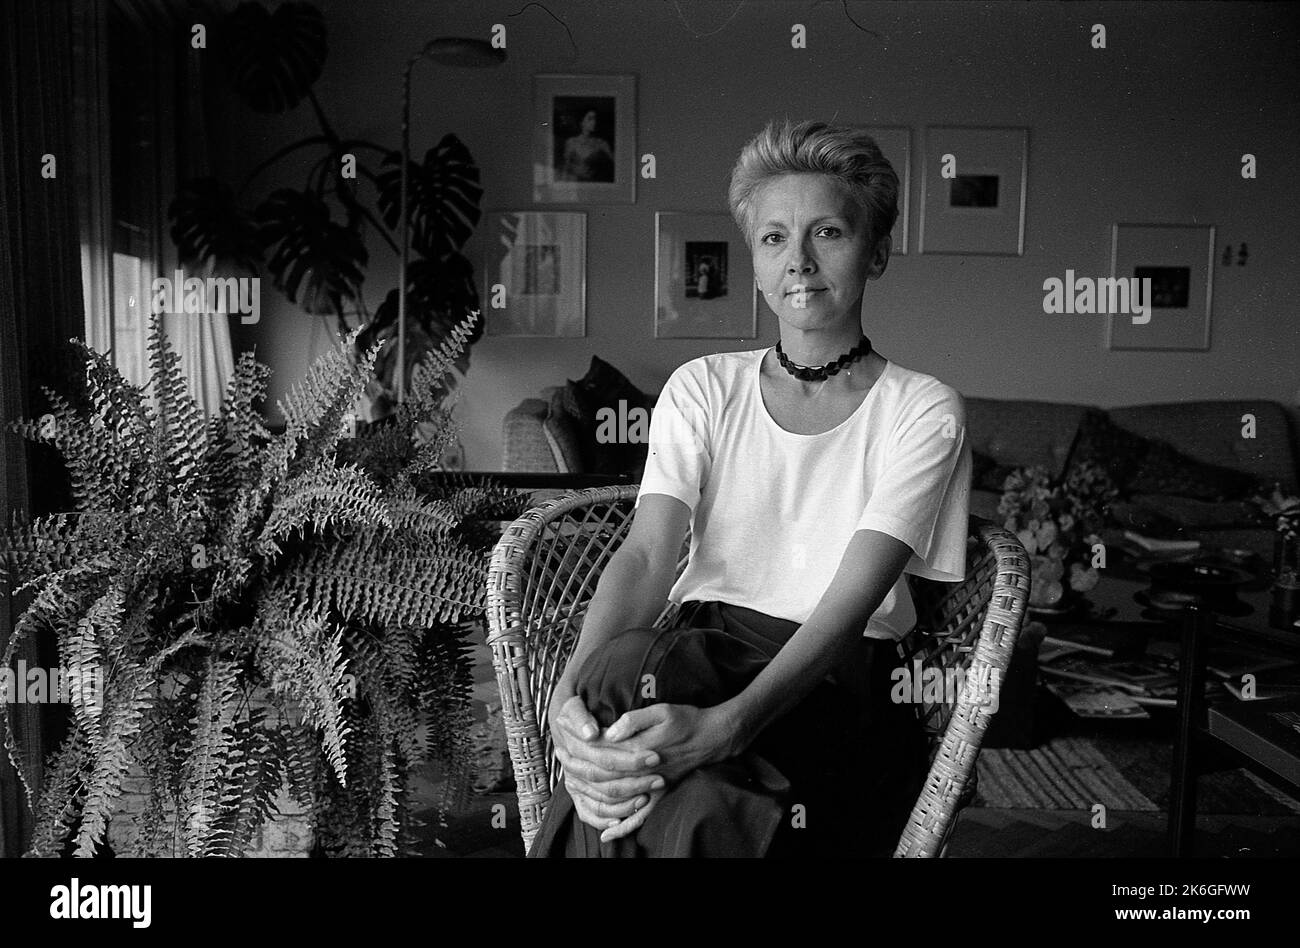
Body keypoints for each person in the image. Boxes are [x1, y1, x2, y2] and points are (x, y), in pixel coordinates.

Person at [532, 119, 972, 858]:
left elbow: (848, 605)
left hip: (828, 676)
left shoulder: (922, 409)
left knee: (665, 772)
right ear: (756, 261)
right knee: (644, 724)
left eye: (827, 232)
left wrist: (728, 726)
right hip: (691, 658)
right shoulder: (701, 388)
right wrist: (563, 708)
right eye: (773, 238)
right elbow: (645, 559)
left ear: (877, 251)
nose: (797, 261)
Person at [560, 109, 614, 182]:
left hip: (594, 185)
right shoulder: (571, 142)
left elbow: (616, 164)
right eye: (590, 119)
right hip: (574, 184)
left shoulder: (601, 143)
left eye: (595, 119)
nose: (594, 122)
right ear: (581, 122)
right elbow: (565, 167)